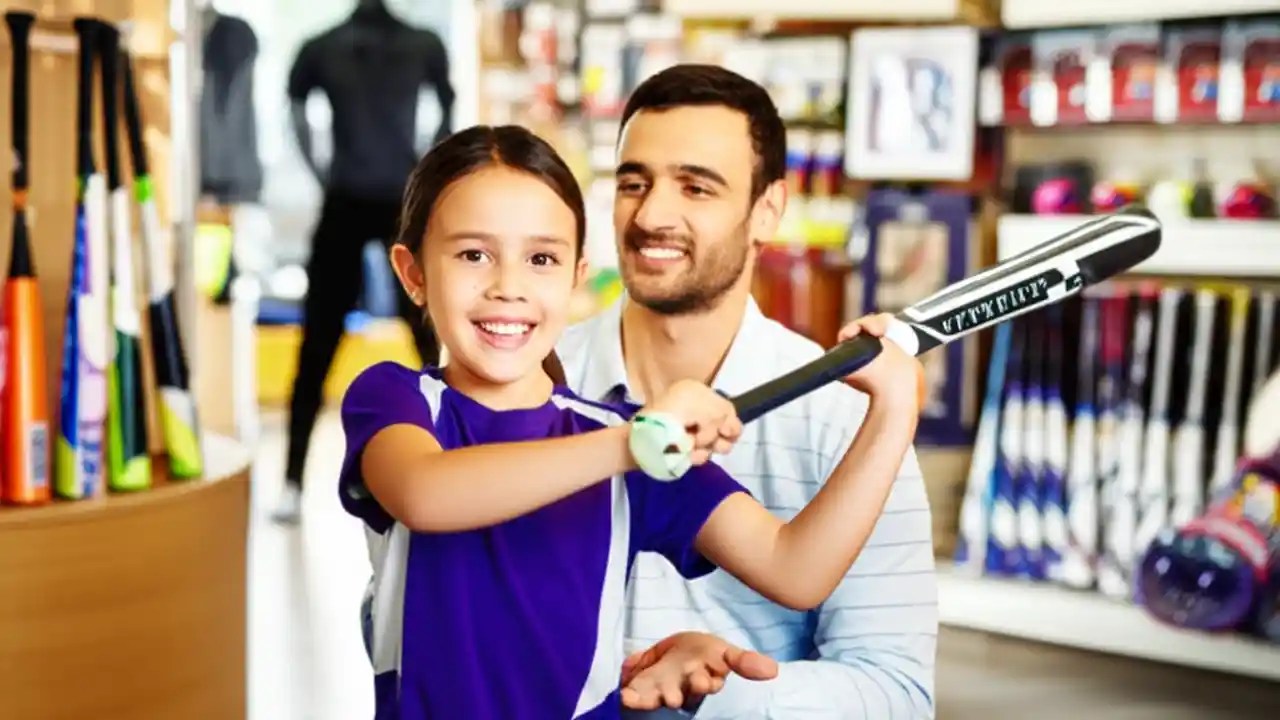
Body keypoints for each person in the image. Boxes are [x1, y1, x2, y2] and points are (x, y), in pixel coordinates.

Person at [341, 124, 922, 718]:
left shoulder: (630, 442)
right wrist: (634, 445)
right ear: (413, 274)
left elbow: (795, 569)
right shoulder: (396, 399)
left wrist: (893, 412)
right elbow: (426, 494)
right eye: (473, 255)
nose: (508, 287)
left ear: (576, 275)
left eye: (541, 259)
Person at [555, 64, 939, 717]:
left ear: (767, 211)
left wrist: (712, 691)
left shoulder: (850, 419)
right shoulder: (535, 384)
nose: (652, 214)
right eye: (633, 183)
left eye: (696, 188)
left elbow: (896, 693)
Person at [273, 0, 455, 523]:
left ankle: (456, 460)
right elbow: (446, 109)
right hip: (368, 193)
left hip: (373, 193)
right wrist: (420, 164)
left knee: (424, 335)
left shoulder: (394, 45)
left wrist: (324, 169)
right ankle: (291, 480)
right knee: (340, 340)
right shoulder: (339, 46)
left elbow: (296, 113)